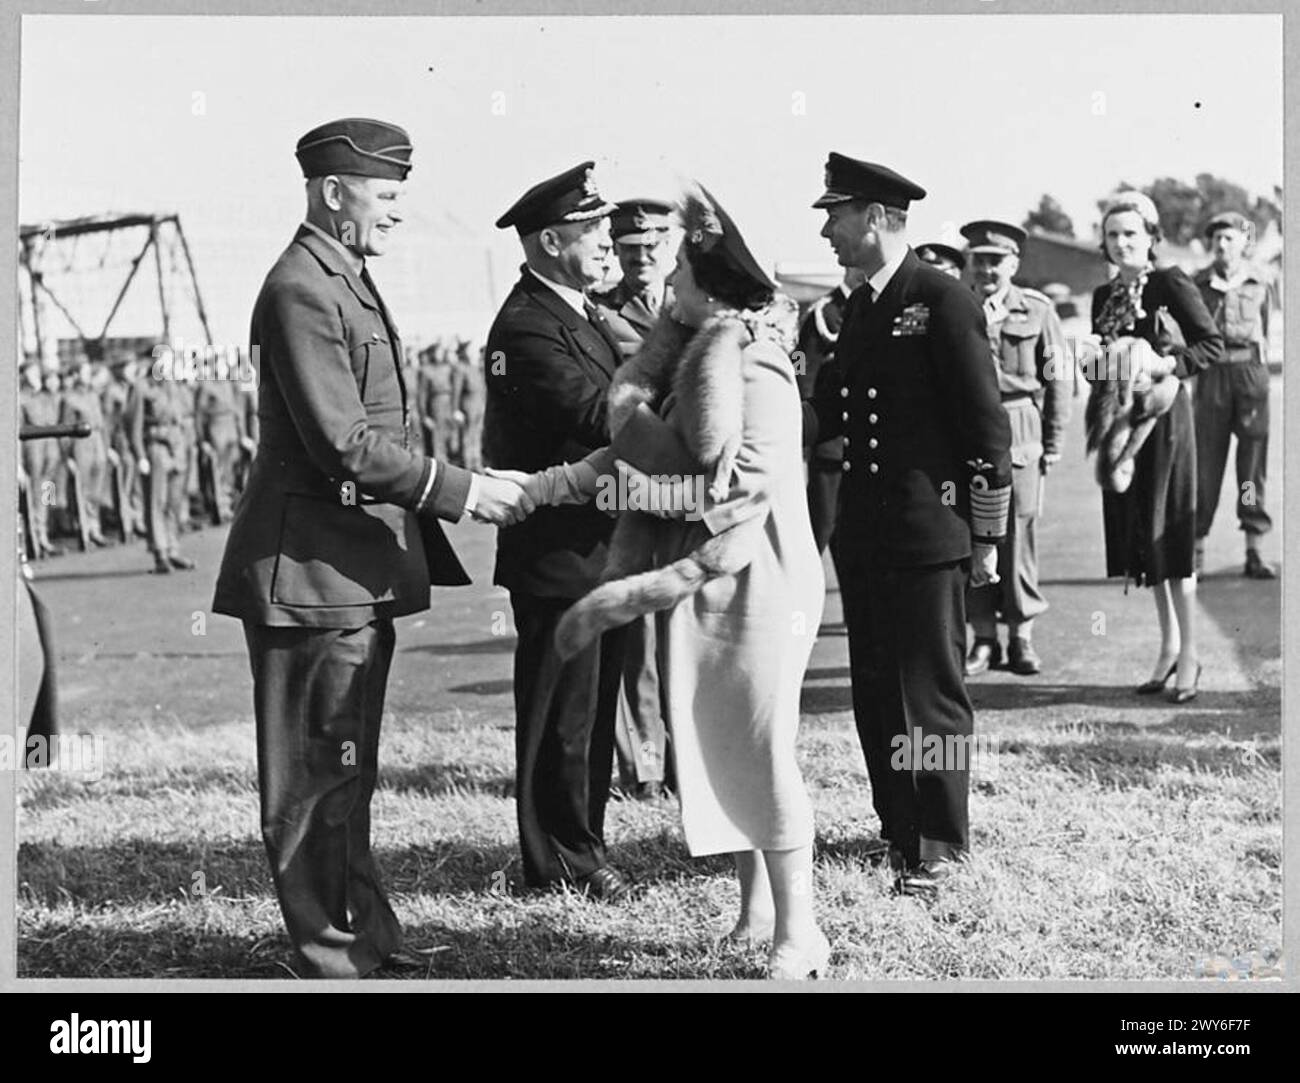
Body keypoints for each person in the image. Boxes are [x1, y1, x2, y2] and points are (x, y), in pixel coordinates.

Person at [211, 117, 531, 980]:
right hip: (312, 574)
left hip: (348, 569)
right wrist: (463, 490)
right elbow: (345, 442)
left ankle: (364, 936)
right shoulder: (302, 288)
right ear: (333, 192)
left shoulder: (337, 275)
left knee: (347, 767)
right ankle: (332, 954)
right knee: (314, 777)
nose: (396, 214)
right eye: (386, 197)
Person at [493, 184, 832, 979]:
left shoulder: (755, 361)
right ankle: (756, 915)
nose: (665, 279)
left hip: (760, 576)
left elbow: (745, 488)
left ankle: (801, 932)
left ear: (710, 288)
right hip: (711, 583)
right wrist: (543, 489)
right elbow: (630, 454)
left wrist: (645, 498)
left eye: (678, 267)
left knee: (760, 744)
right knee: (719, 742)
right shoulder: (697, 357)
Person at [805, 153, 1012, 896]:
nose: (826, 229)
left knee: (928, 691)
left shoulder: (943, 297)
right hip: (864, 537)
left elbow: (987, 430)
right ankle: (897, 826)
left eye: (834, 213)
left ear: (874, 216)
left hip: (929, 536)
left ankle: (940, 842)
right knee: (876, 691)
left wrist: (987, 537)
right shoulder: (857, 306)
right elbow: (826, 410)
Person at [483, 161, 633, 901]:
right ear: (548, 241)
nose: (608, 243)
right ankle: (558, 862)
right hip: (560, 555)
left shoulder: (581, 312)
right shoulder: (527, 326)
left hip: (601, 551)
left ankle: (584, 842)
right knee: (560, 718)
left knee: (593, 715)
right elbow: (600, 415)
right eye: (593, 231)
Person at [1088, 191, 1224, 703]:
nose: (1122, 243)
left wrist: (1164, 365)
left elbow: (1209, 345)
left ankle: (1190, 654)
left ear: (1150, 238)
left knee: (1172, 534)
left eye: (1131, 234)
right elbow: (1098, 356)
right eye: (1113, 234)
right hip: (1122, 426)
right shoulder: (1104, 297)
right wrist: (1098, 366)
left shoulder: (1170, 283)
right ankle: (1168, 648)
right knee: (1144, 535)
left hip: (1165, 422)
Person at [592, 198, 677, 799]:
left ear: (669, 245)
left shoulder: (693, 307)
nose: (640, 257)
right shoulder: (600, 314)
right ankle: (647, 765)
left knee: (690, 627)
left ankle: (691, 756)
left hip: (692, 488)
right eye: (628, 248)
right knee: (638, 634)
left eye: (650, 247)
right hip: (631, 486)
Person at [961, 220, 1071, 676]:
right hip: (967, 431)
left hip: (1020, 428)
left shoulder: (1038, 310)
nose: (987, 269)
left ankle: (1021, 636)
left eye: (996, 260)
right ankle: (983, 638)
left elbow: (1056, 378)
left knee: (1018, 536)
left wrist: (1053, 440)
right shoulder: (957, 304)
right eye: (979, 259)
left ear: (1014, 264)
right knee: (973, 534)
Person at [1191, 211, 1275, 579]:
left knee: (1250, 469)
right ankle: (1195, 550)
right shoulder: (1198, 284)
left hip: (1250, 377)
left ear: (1244, 241)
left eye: (1229, 238)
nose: (1222, 245)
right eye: (1217, 239)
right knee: (1205, 466)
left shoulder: (1263, 281)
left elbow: (1268, 330)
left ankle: (1253, 548)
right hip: (1211, 378)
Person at [794, 266, 866, 555]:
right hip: (830, 444)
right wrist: (801, 417)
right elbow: (802, 363)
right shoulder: (826, 312)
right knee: (820, 527)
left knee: (856, 537)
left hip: (862, 442)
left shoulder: (875, 304)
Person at [127, 354, 196, 573]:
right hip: (156, 447)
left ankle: (173, 549)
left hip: (177, 447)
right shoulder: (141, 388)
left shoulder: (173, 386)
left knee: (174, 503)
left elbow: (184, 415)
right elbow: (132, 424)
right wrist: (140, 455)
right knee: (156, 502)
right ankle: (160, 552)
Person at [58, 360, 110, 547]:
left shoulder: (93, 396)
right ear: (76, 375)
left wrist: (106, 446)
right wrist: (67, 457)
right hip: (81, 444)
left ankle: (95, 528)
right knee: (83, 490)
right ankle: (86, 530)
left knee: (96, 491)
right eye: (85, 372)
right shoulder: (69, 399)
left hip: (96, 442)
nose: (88, 375)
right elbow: (64, 430)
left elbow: (102, 424)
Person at [20, 363, 62, 558]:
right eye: (32, 372)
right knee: (34, 494)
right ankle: (36, 538)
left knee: (47, 492)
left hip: (50, 450)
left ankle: (45, 533)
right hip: (33, 449)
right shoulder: (21, 398)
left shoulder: (47, 398)